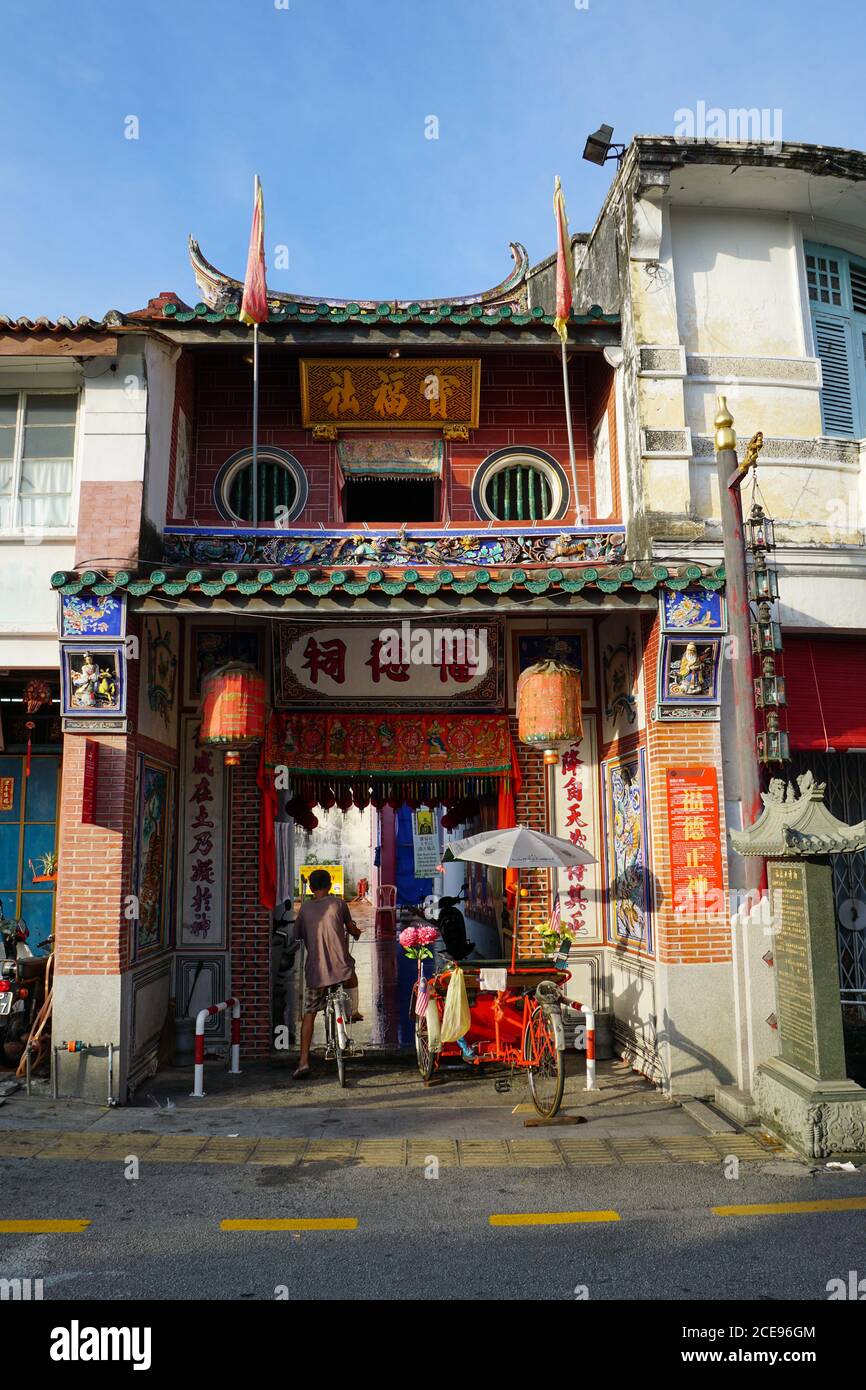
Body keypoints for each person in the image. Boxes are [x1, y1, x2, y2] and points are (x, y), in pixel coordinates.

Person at [292, 868, 361, 1080]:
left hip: (317, 973)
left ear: (311, 888)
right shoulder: (339, 904)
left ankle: (303, 1062)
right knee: (352, 973)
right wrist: (356, 932)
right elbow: (352, 929)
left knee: (309, 1013)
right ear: (330, 886)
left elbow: (297, 936)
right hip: (341, 969)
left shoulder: (304, 909)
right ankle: (353, 1011)